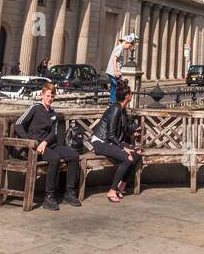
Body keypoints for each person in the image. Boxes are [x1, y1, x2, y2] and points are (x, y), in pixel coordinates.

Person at [15, 82, 79, 211]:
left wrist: (45, 142)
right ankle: (49, 196)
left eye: (52, 96)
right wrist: (30, 142)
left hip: (49, 144)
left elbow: (53, 133)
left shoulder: (53, 113)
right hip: (36, 146)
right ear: (42, 95)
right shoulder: (34, 108)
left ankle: (69, 192)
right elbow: (18, 124)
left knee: (73, 156)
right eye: (48, 96)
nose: (50, 99)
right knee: (54, 159)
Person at [92, 81, 140, 203]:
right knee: (127, 158)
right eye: (130, 94)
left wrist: (134, 130)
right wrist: (123, 147)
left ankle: (121, 186)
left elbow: (125, 126)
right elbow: (110, 134)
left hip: (112, 141)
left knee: (137, 153)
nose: (131, 95)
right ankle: (112, 190)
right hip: (101, 142)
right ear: (126, 96)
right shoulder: (115, 109)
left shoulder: (122, 109)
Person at [107, 36, 132, 104]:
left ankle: (112, 102)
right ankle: (114, 102)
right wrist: (116, 71)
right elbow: (114, 59)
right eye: (129, 46)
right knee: (117, 87)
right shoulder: (120, 48)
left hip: (111, 71)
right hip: (113, 72)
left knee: (113, 87)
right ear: (126, 42)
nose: (129, 48)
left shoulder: (119, 48)